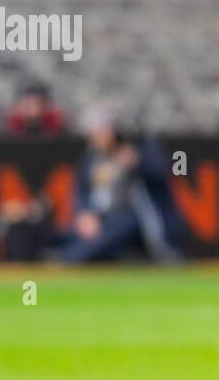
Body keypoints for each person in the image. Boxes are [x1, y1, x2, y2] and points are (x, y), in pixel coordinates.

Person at [56, 107, 185, 263]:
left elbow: (168, 172)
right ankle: (64, 252)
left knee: (113, 231)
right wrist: (84, 213)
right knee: (72, 233)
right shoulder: (91, 158)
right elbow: (80, 191)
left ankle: (70, 257)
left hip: (132, 219)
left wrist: (138, 161)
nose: (96, 138)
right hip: (100, 216)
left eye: (100, 132)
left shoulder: (140, 150)